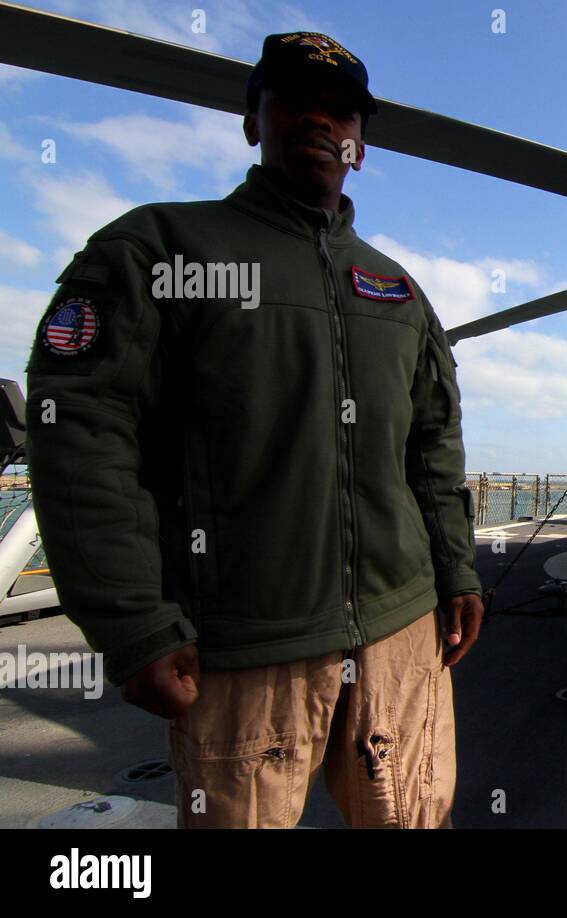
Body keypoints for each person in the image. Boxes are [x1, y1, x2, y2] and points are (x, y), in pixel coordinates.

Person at [24, 31, 483, 828]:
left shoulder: (398, 290)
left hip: (401, 635)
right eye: (293, 100)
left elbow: (433, 451)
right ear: (251, 121)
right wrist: (132, 621)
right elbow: (82, 432)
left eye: (341, 111)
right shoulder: (158, 249)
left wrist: (457, 571)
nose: (319, 121)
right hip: (245, 648)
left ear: (362, 144)